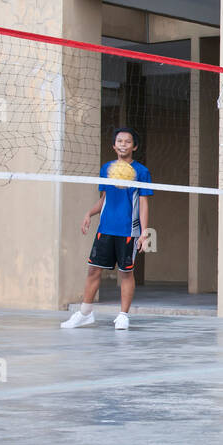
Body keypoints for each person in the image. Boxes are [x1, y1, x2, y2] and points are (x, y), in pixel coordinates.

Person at [62, 127, 153, 331]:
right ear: (113, 146)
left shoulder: (142, 171)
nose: (123, 144)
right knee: (94, 270)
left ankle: (123, 316)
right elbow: (104, 199)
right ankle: (85, 313)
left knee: (126, 274)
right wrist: (89, 213)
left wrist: (144, 232)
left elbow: (144, 203)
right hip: (105, 229)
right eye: (119, 141)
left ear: (134, 146)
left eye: (127, 141)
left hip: (128, 231)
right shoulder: (107, 169)